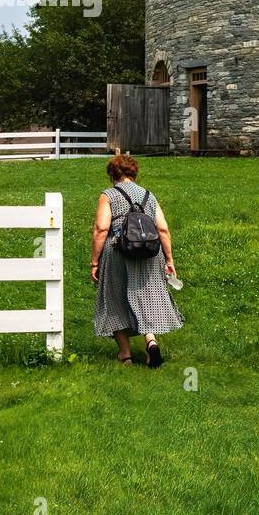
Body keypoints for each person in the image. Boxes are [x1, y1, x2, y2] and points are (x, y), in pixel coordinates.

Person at [90, 153, 182, 366]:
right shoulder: (149, 196)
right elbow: (163, 229)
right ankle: (150, 342)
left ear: (113, 174)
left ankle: (125, 355)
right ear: (133, 173)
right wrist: (169, 261)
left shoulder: (109, 195)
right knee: (146, 297)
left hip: (119, 252)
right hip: (149, 253)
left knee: (114, 298)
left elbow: (101, 229)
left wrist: (95, 262)